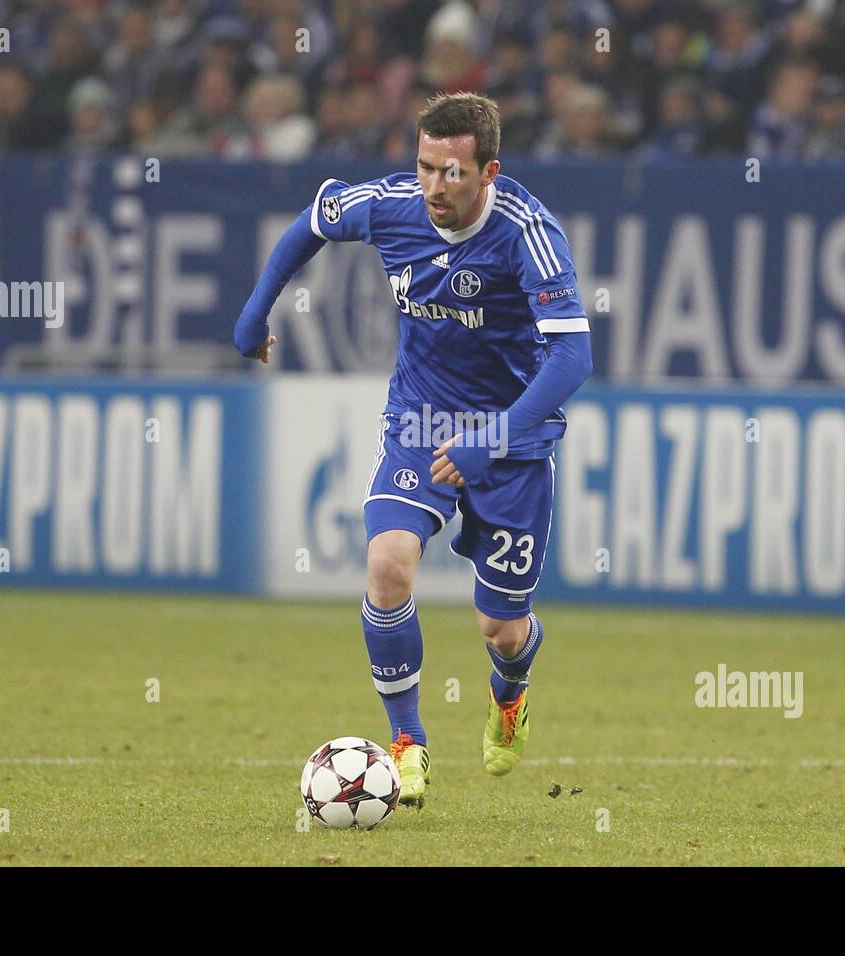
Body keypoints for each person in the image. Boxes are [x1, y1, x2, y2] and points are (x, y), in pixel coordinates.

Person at [233, 92, 592, 807]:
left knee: (502, 627)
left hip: (512, 441)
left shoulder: (528, 231)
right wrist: (256, 307)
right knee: (388, 562)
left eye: (453, 173)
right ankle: (407, 743)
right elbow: (312, 220)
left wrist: (497, 436)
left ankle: (511, 689)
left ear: (489, 171)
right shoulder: (392, 205)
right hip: (421, 422)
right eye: (425, 168)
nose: (435, 187)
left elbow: (573, 357)